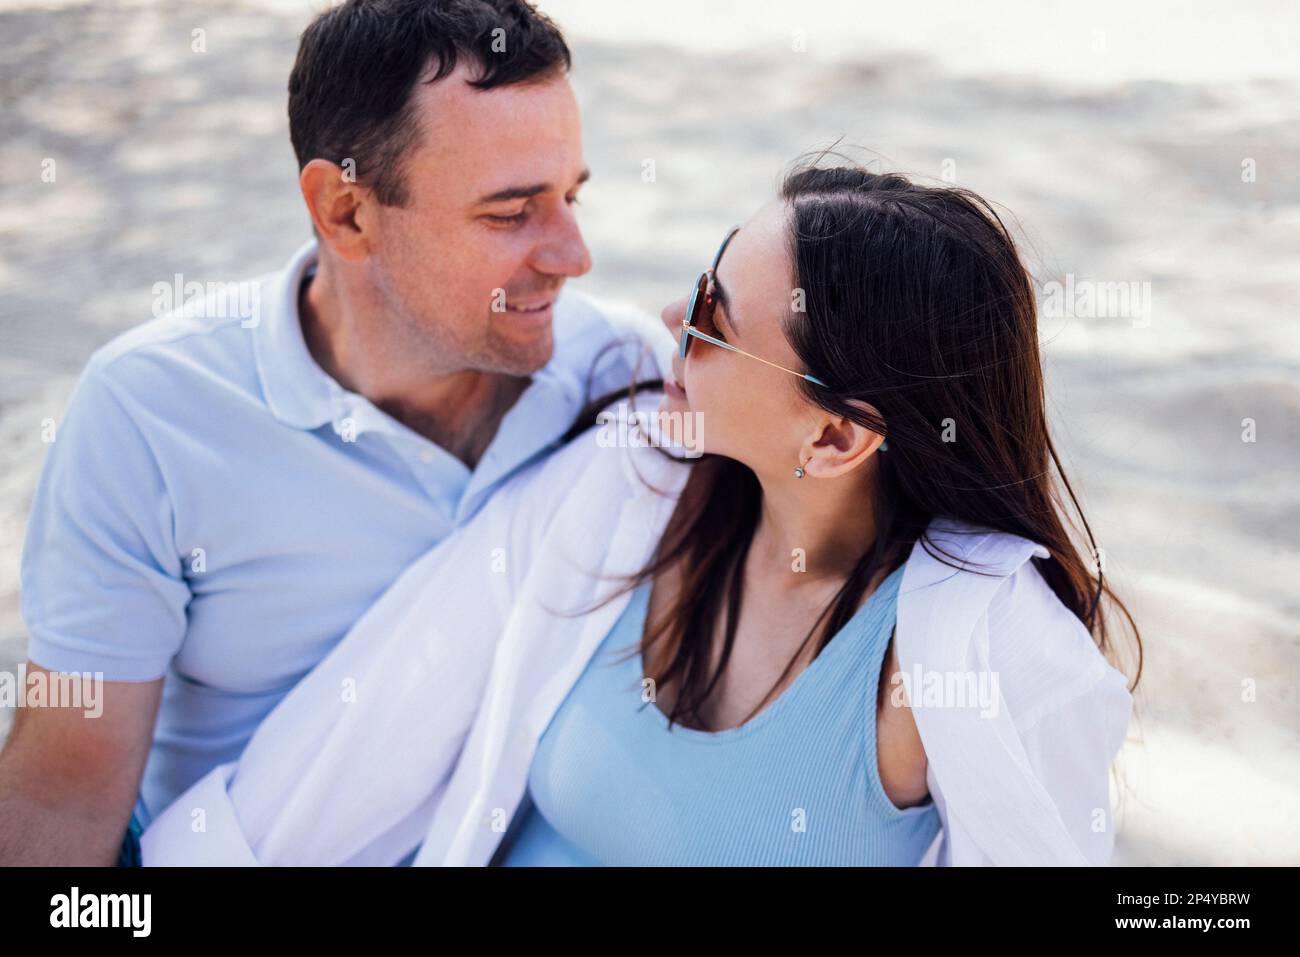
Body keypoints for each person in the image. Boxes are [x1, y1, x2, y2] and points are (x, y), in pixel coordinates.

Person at [140, 161, 1142, 867]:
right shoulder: (628, 487)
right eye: (698, 282)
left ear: (836, 438)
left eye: (712, 318)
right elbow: (367, 728)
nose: (669, 319)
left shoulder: (979, 657)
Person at [0, 0, 665, 866]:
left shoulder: (627, 380)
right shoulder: (150, 416)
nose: (574, 255)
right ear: (346, 211)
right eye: (512, 213)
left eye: (571, 195)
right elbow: (65, 792)